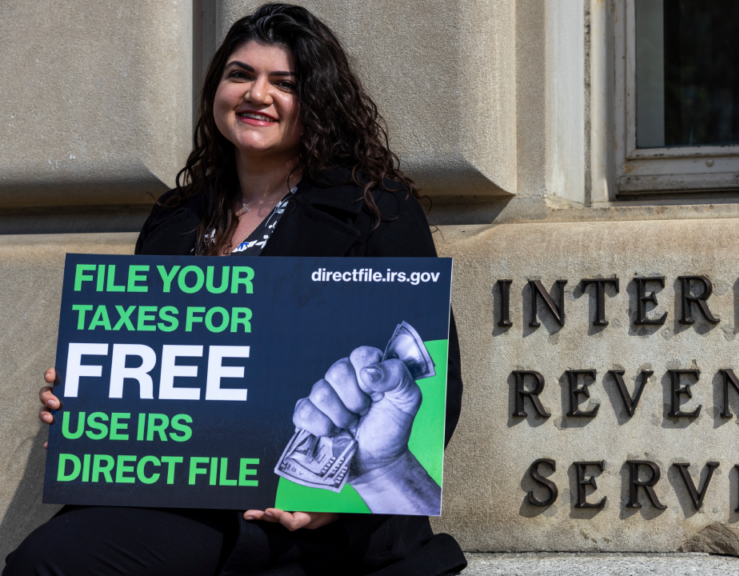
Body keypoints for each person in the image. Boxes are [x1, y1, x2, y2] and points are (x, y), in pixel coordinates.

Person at [5, 4, 465, 575]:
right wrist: (93, 398)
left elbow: (436, 382)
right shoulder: (175, 218)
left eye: (284, 83)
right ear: (216, 90)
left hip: (300, 516)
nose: (257, 94)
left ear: (318, 101)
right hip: (178, 490)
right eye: (240, 75)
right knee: (46, 559)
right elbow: (155, 356)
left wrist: (339, 500)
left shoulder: (375, 208)